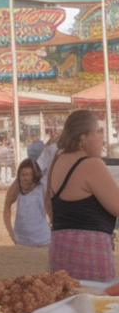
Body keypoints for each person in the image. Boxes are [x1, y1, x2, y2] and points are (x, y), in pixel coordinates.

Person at [44, 110, 119, 281]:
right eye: (98, 131)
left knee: (66, 304)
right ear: (83, 136)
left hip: (60, 248)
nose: (103, 138)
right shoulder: (92, 164)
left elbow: (50, 205)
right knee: (94, 304)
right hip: (89, 249)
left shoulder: (58, 160)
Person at [3, 158, 51, 247]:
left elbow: (50, 209)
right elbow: (7, 205)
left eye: (28, 175)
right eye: (23, 175)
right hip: (21, 241)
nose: (25, 178)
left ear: (34, 176)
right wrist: (11, 233)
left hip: (42, 240)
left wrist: (52, 224)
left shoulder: (42, 187)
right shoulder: (18, 186)